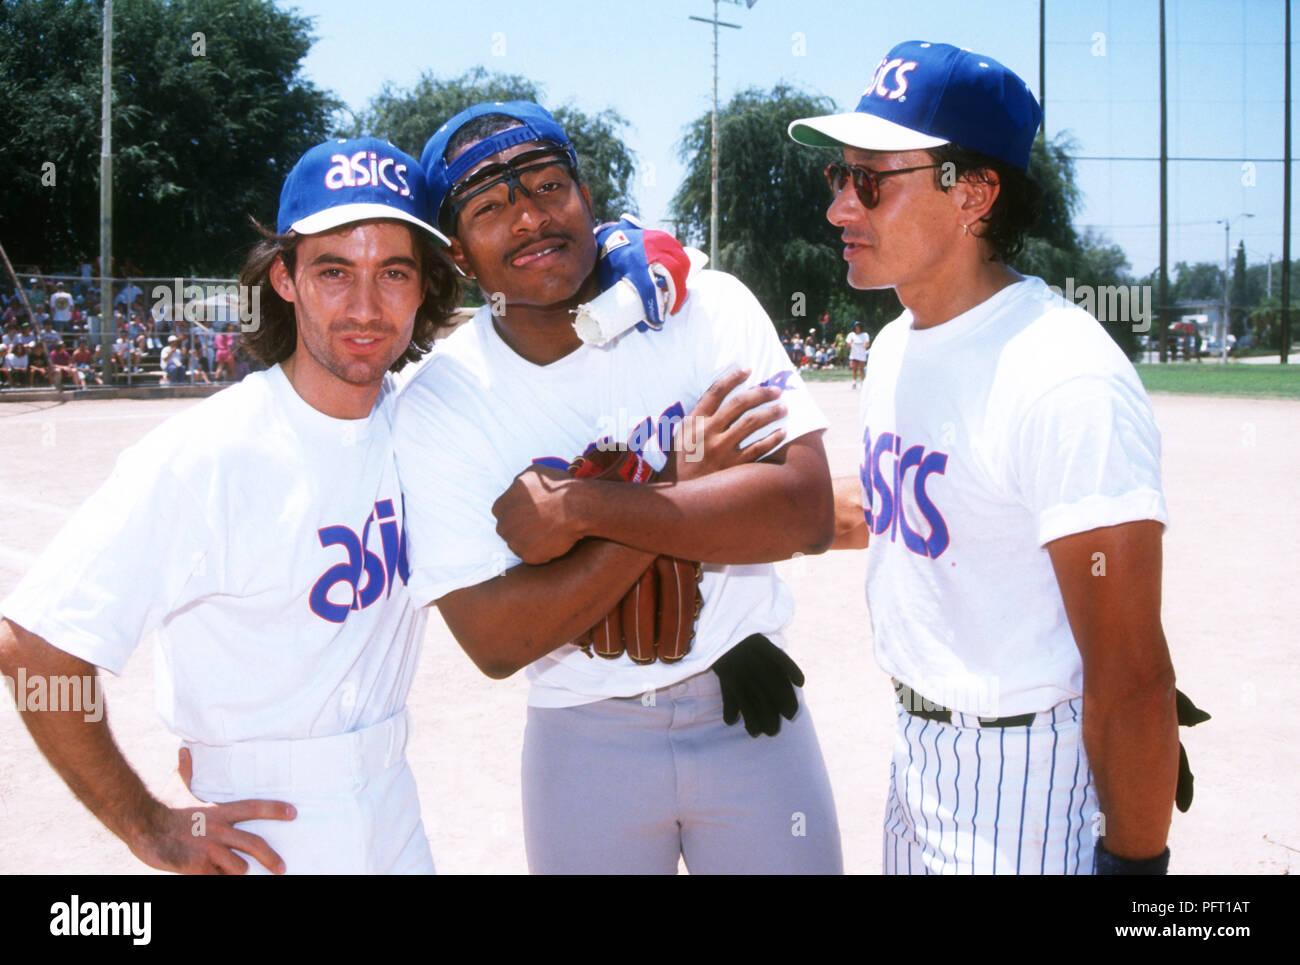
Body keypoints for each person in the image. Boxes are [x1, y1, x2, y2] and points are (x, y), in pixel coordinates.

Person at [394, 101, 843, 874]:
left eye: (546, 185)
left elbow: (804, 514)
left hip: (748, 700)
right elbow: (499, 641)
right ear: (461, 256)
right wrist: (683, 490)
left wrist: (584, 508)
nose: (531, 217)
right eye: (491, 207)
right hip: (582, 726)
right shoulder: (443, 398)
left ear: (587, 196)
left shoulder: (703, 305)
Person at [0, 136, 462, 874]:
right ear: (284, 279)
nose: (367, 306)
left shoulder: (429, 422)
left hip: (396, 811)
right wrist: (147, 825)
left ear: (423, 287)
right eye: (334, 271)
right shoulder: (207, 453)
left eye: (395, 272)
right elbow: (35, 645)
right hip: (262, 831)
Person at [789, 40, 1181, 875]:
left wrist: (1137, 871)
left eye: (870, 181)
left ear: (972, 193)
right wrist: (683, 516)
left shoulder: (1062, 372)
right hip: (917, 757)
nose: (840, 210)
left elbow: (1133, 673)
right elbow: (905, 506)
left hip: (1029, 780)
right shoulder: (897, 345)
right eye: (838, 177)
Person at [845, 322, 870, 388]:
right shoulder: (851, 335)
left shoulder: (865, 335)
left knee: (862, 369)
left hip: (861, 354)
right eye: (856, 326)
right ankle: (854, 382)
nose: (857, 328)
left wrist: (865, 345)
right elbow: (848, 345)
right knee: (855, 369)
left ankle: (862, 382)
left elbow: (867, 344)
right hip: (854, 354)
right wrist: (851, 343)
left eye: (858, 326)